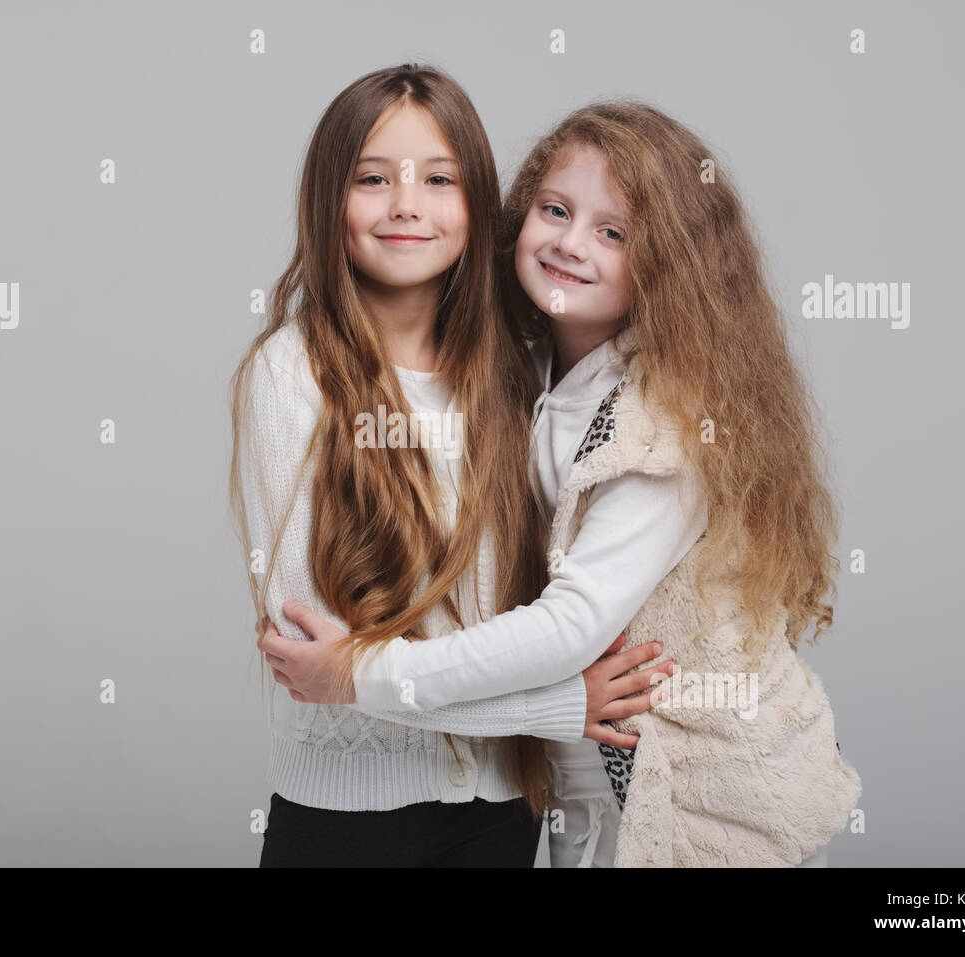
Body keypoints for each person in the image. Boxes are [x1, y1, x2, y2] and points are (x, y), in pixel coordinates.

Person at [262, 101, 862, 867]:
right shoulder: (526, 367)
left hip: (696, 795)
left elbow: (569, 625)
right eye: (555, 210)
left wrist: (363, 671)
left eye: (613, 233)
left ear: (671, 266)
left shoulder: (665, 423)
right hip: (581, 784)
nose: (572, 244)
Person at [230, 65, 671, 868]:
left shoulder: (516, 368)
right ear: (330, 201)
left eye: (439, 179)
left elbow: (521, 612)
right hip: (348, 817)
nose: (406, 204)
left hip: (501, 809)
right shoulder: (291, 372)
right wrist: (555, 704)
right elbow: (323, 662)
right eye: (373, 179)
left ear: (478, 206)